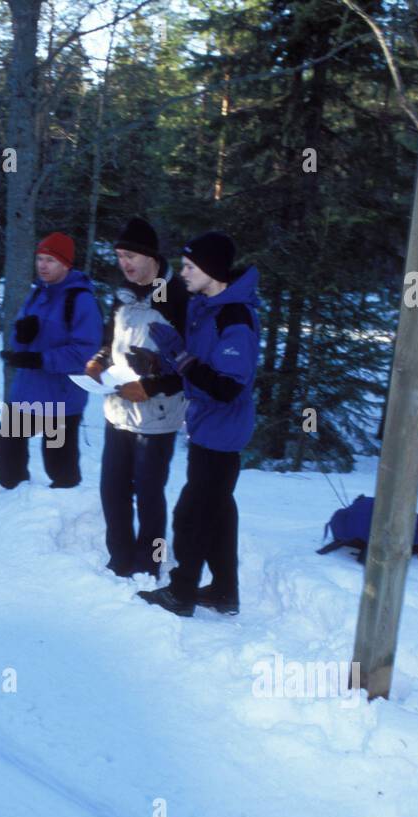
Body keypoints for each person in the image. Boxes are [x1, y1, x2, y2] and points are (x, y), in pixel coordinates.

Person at [136, 232, 260, 617]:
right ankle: (224, 590)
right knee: (218, 509)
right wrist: (160, 366)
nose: (184, 273)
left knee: (191, 515)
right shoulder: (205, 306)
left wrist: (181, 357)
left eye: (190, 267)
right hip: (206, 426)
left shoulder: (233, 317)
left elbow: (225, 387)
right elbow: (196, 369)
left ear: (211, 270)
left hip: (222, 431)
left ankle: (182, 593)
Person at [88, 218, 189, 579]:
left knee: (149, 493)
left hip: (158, 415)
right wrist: (100, 360)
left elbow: (190, 363)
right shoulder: (123, 293)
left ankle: (150, 562)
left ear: (151, 257)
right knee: (112, 489)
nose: (124, 263)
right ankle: (120, 558)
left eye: (130, 255)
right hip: (117, 410)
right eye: (119, 256)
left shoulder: (178, 296)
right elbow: (108, 338)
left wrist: (151, 386)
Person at [0, 232, 103, 489]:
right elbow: (20, 342)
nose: (42, 265)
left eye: (50, 260)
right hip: (28, 390)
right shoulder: (37, 294)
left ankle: (62, 514)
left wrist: (39, 359)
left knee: (60, 466)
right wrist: (21, 337)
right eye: (40, 259)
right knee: (6, 446)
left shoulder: (82, 300)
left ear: (66, 264)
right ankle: (16, 500)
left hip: (61, 398)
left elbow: (84, 354)